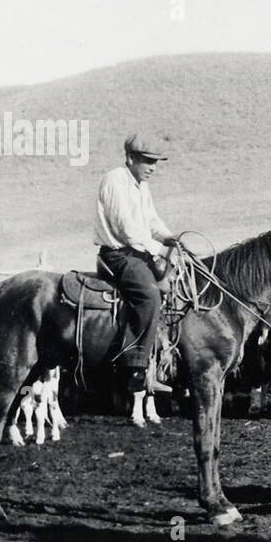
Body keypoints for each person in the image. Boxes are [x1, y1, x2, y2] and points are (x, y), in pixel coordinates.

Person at [94, 134, 179, 395]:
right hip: (118, 255)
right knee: (149, 295)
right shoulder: (115, 181)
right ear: (130, 158)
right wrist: (159, 250)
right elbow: (127, 229)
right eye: (147, 161)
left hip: (138, 252)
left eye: (156, 162)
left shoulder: (141, 185)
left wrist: (170, 238)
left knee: (176, 284)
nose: (153, 167)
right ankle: (136, 368)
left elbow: (151, 221)